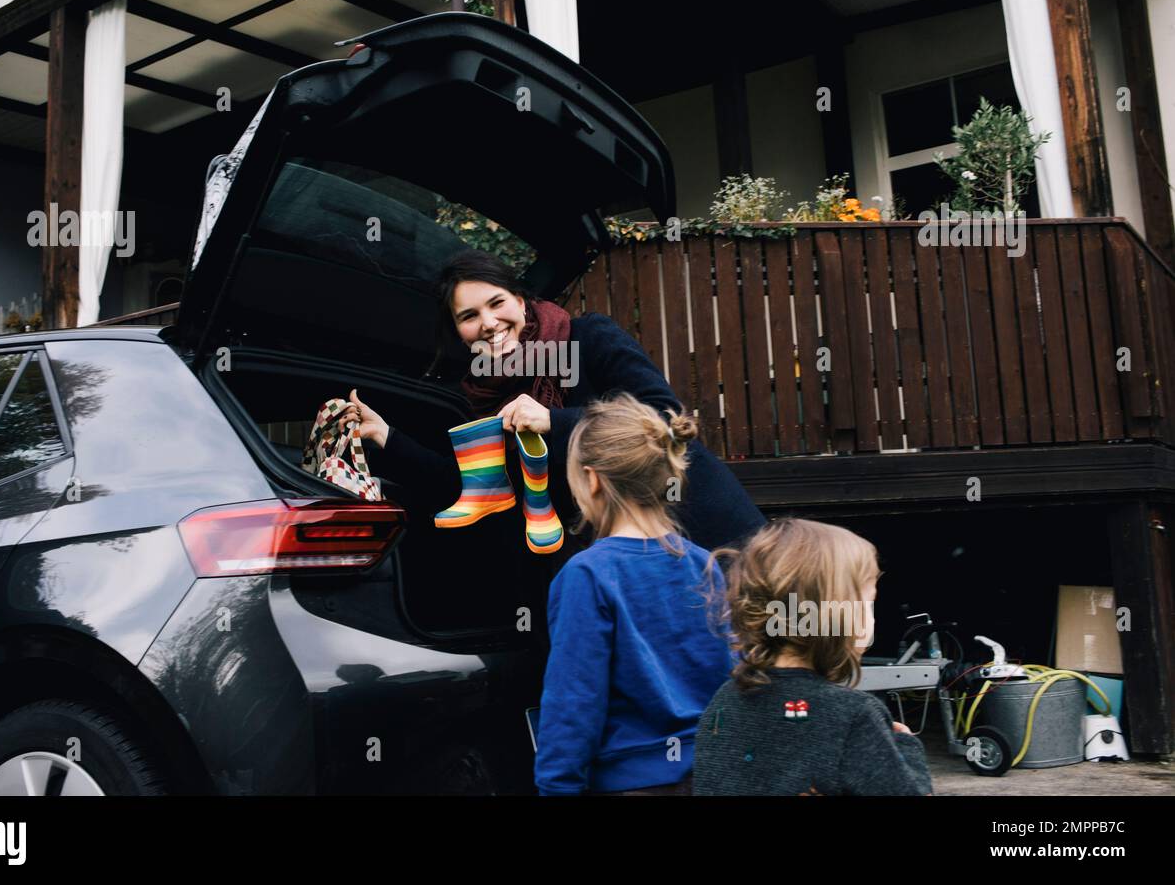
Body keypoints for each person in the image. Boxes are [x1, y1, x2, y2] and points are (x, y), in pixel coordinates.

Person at [345, 249, 765, 553]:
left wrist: (555, 422)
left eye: (497, 303)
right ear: (458, 332)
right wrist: (385, 435)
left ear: (521, 301)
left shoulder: (587, 337)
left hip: (701, 526)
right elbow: (479, 487)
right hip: (627, 556)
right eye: (469, 316)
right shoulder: (481, 395)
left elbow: (666, 419)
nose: (489, 323)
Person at [533, 394, 731, 794]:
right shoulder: (704, 564)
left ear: (591, 480)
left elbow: (573, 705)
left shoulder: (587, 575)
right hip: (715, 774)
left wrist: (556, 788)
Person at [692, 518, 933, 796]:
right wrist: (904, 746)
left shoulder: (725, 700)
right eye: (868, 603)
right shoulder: (853, 714)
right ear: (836, 613)